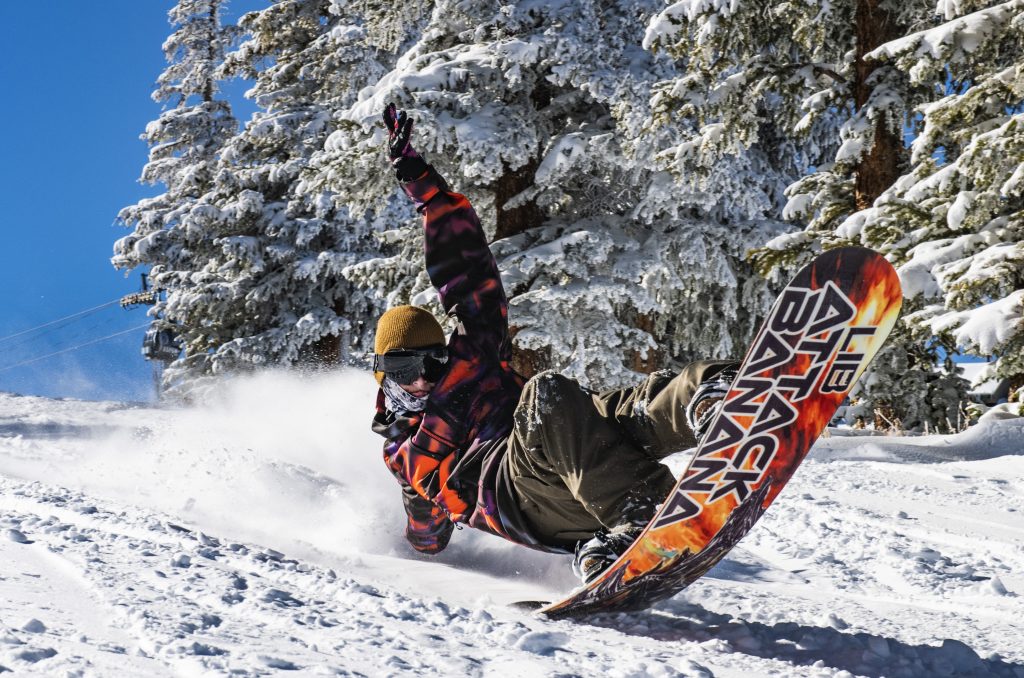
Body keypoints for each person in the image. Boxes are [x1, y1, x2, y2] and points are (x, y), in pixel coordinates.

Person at [370, 104, 737, 583]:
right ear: (380, 373)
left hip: (566, 454)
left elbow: (467, 268)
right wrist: (412, 543)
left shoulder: (469, 363)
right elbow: (429, 539)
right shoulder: (407, 457)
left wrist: (424, 189)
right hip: (522, 499)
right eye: (401, 369)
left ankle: (722, 396)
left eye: (432, 361)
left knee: (629, 405)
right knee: (547, 395)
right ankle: (641, 516)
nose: (420, 378)